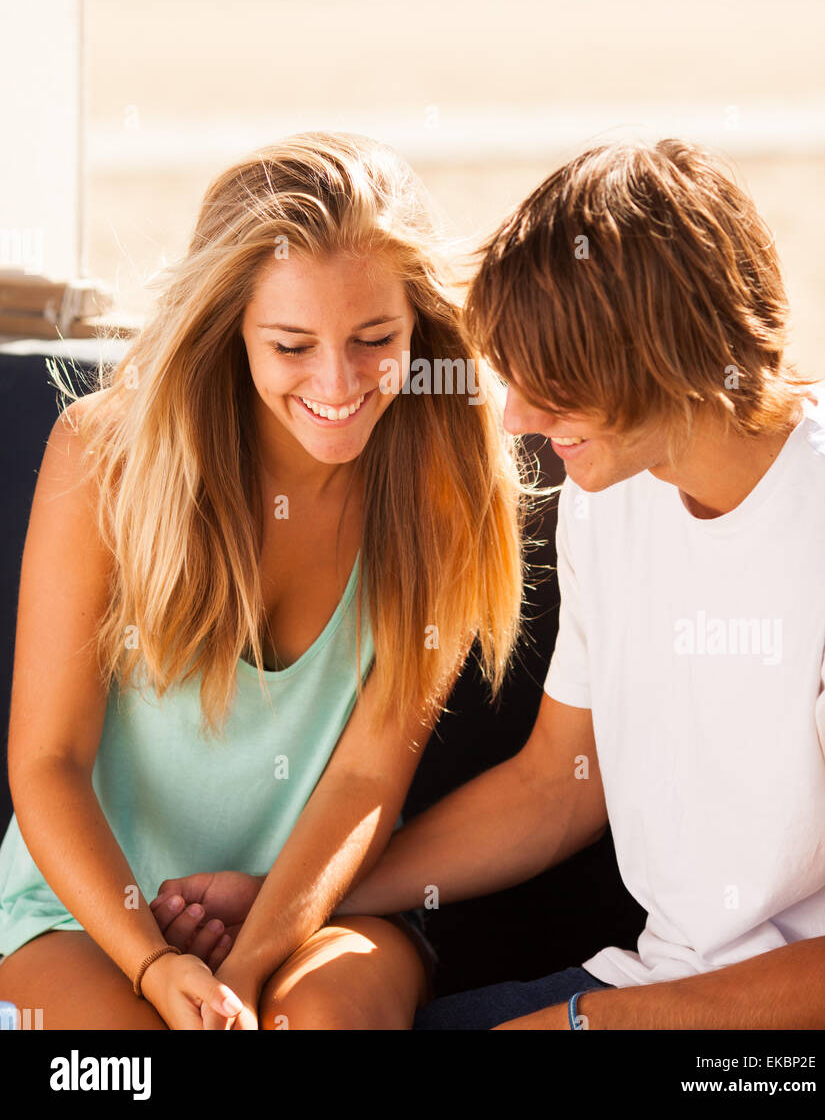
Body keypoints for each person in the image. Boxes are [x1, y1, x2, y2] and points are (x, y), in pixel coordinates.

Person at [165, 137, 825, 1029]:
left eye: (557, 388)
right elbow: (554, 788)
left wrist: (585, 1026)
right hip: (648, 984)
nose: (520, 419)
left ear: (669, 360)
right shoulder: (611, 488)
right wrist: (286, 905)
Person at [0, 132, 525, 1030]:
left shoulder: (442, 492)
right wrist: (156, 965)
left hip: (316, 911)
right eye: (290, 346)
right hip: (87, 918)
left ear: (418, 328)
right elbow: (48, 765)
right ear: (230, 329)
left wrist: (245, 971)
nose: (338, 383)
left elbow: (365, 782)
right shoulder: (105, 458)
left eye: (375, 339)